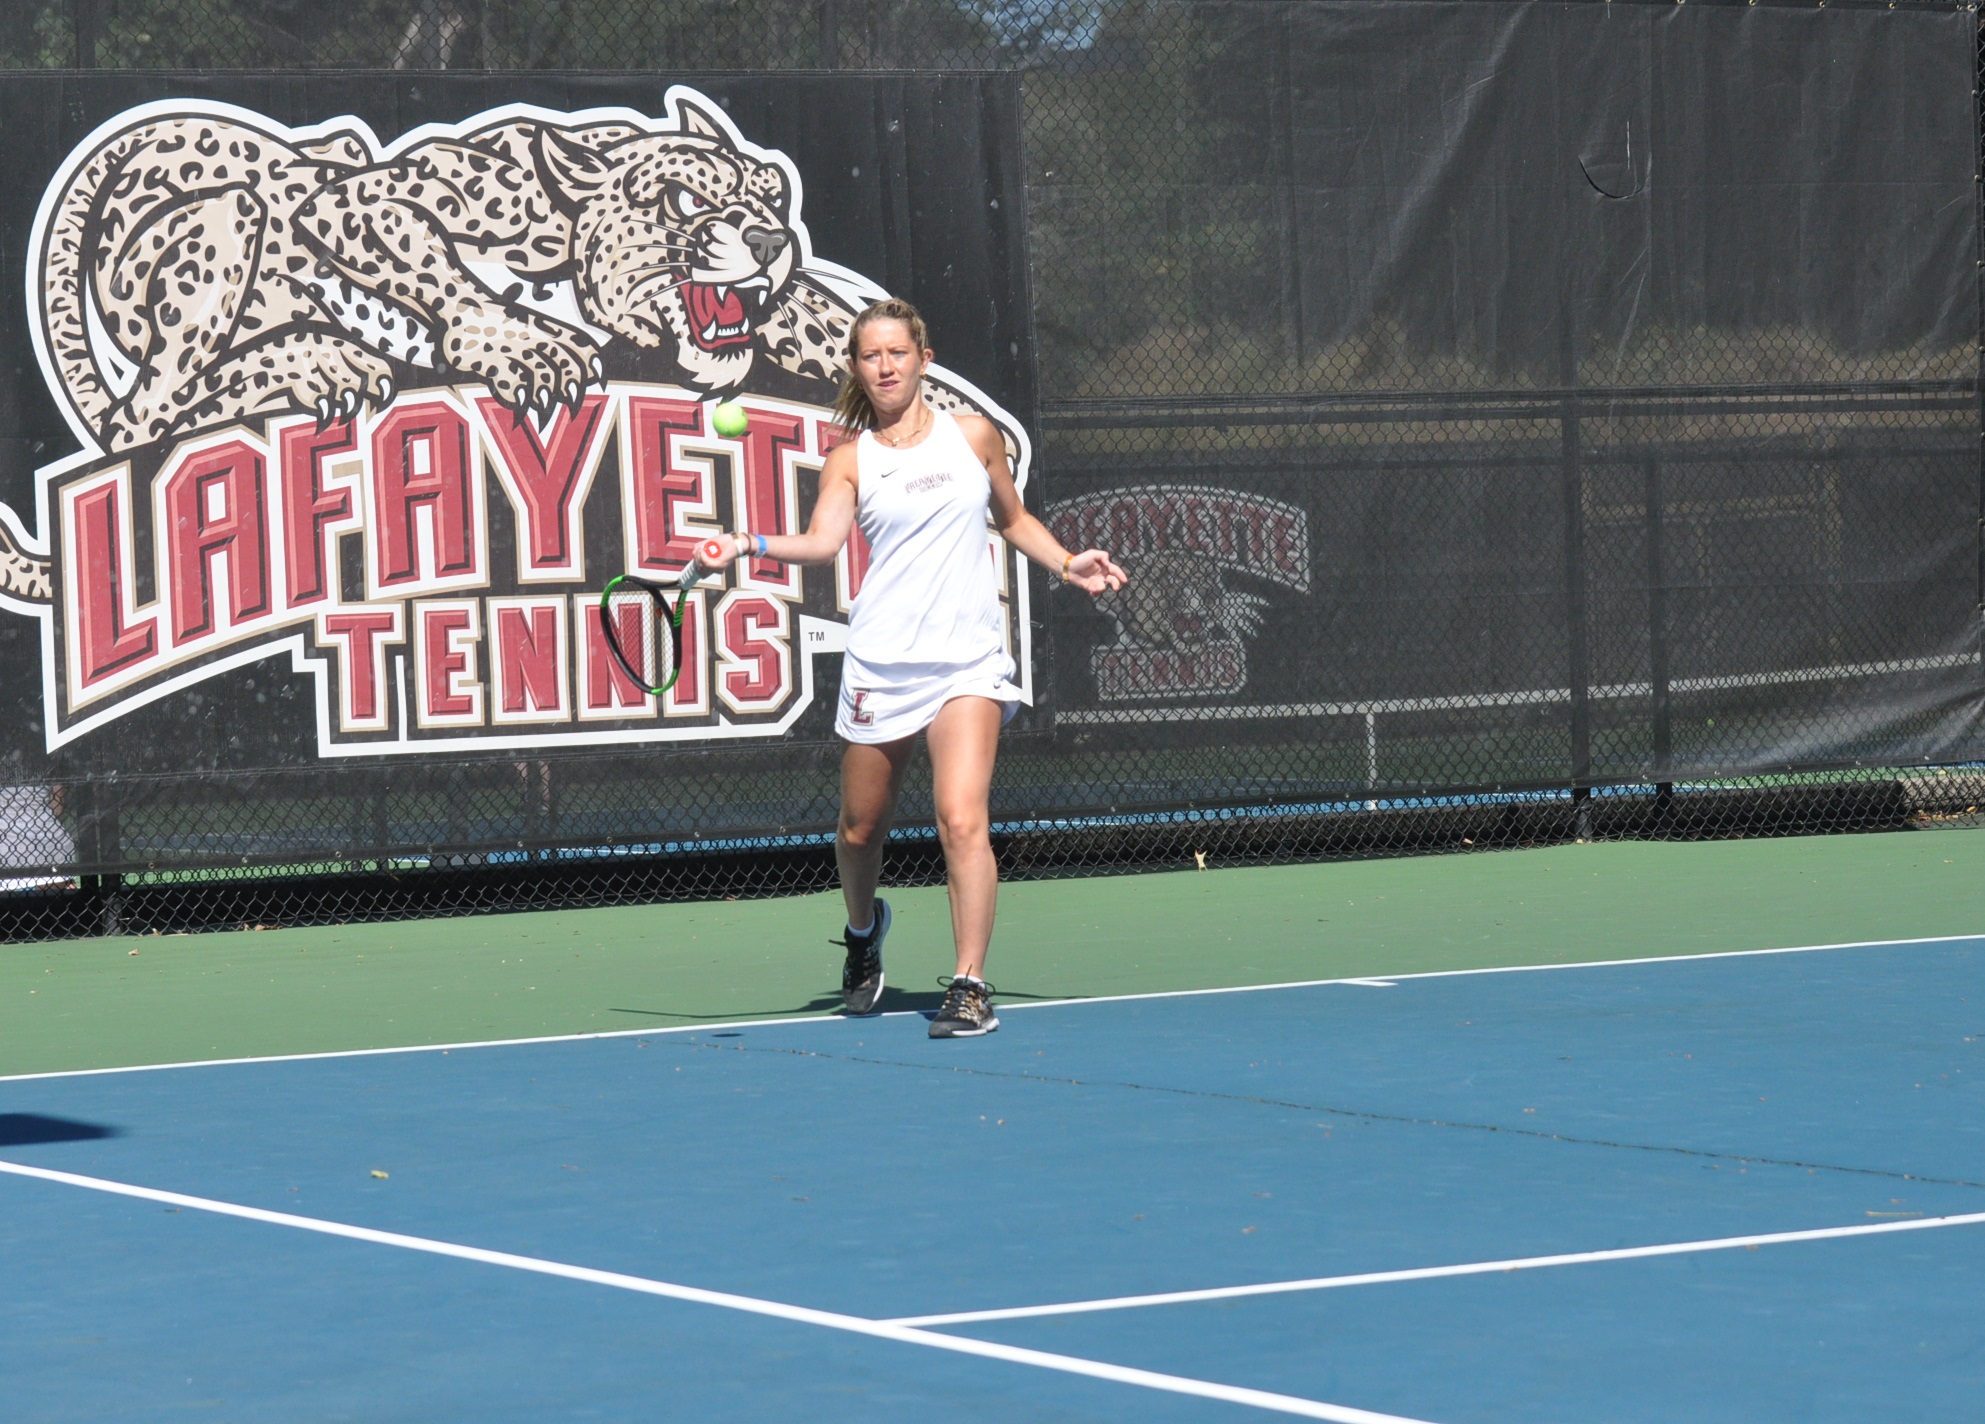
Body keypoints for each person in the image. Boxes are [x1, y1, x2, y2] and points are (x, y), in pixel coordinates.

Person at [703, 298, 1126, 1037]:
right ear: (857, 371)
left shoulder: (973, 437)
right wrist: (748, 544)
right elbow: (820, 543)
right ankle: (864, 933)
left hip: (966, 661)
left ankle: (968, 985)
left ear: (923, 358)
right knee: (861, 830)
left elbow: (1011, 517)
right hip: (881, 662)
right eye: (871, 357)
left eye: (897, 352)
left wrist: (1068, 562)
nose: (886, 366)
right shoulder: (850, 460)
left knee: (961, 819)